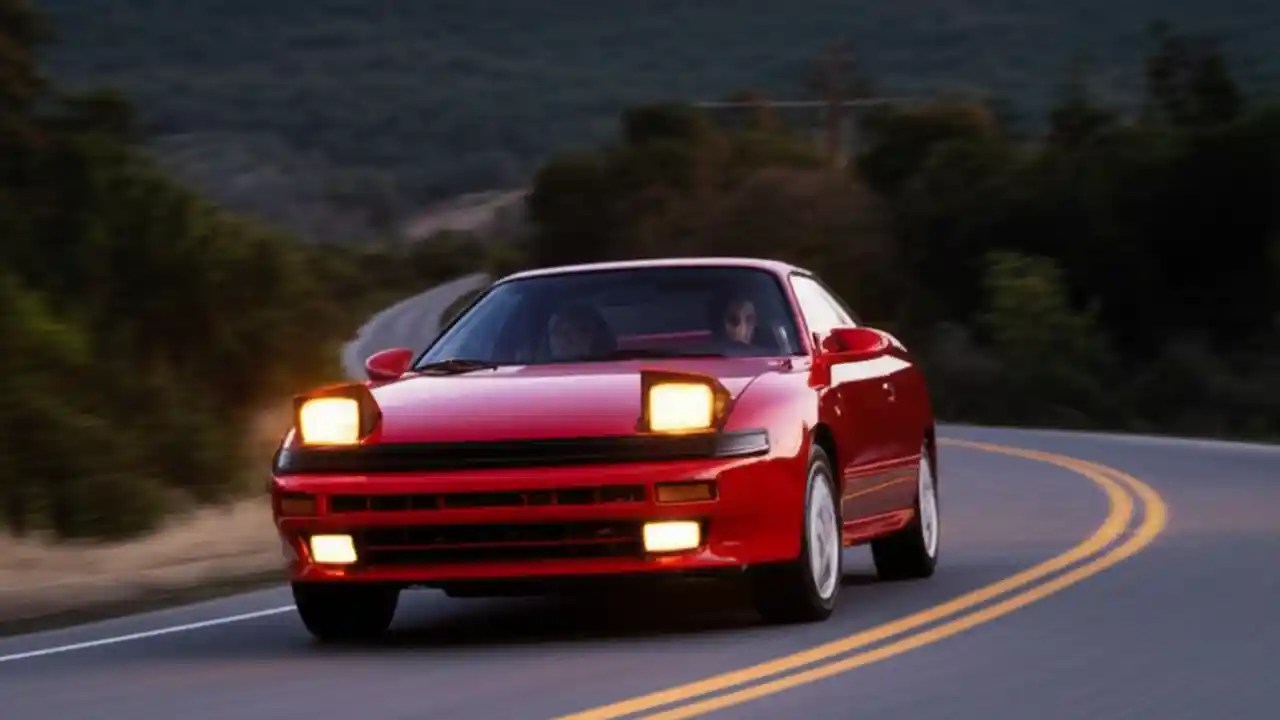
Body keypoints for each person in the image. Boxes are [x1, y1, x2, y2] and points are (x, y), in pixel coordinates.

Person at [546, 304, 613, 360]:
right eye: (556, 331)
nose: (560, 339)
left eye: (566, 332)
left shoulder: (617, 368)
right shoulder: (540, 371)